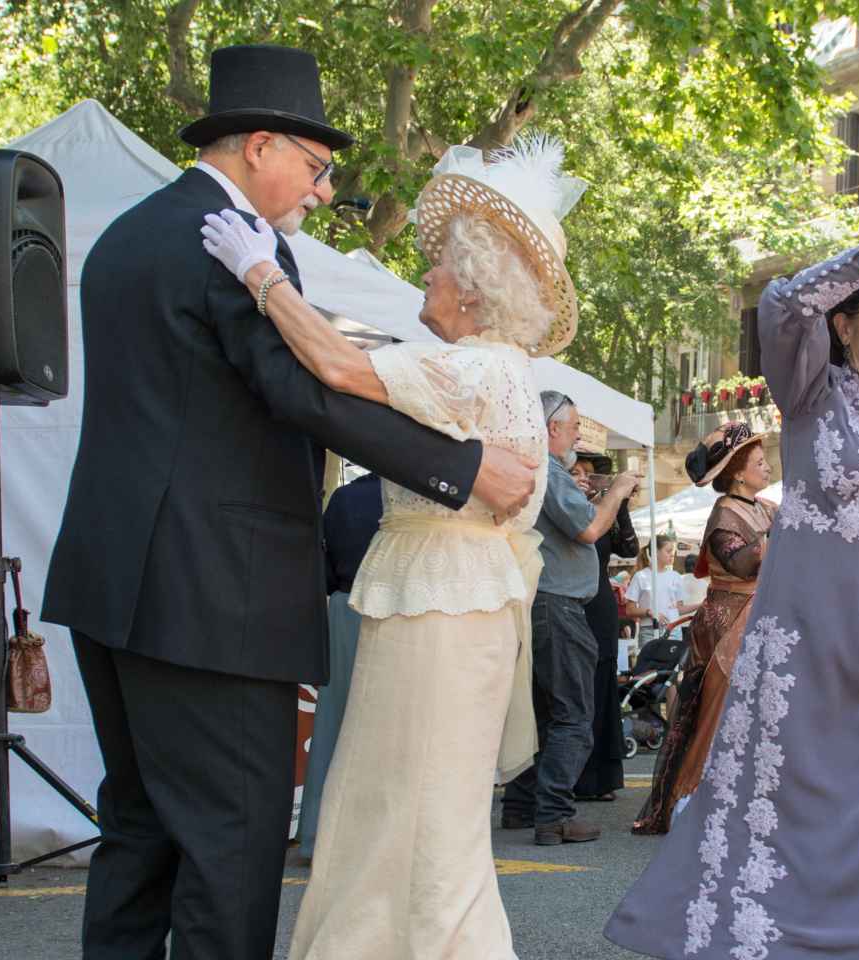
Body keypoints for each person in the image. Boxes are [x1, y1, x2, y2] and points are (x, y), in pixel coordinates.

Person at [41, 45, 536, 959]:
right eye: (313, 168)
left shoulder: (127, 234)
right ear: (259, 145)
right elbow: (306, 393)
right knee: (233, 842)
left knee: (141, 829)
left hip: (110, 582)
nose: (317, 193)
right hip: (209, 595)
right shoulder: (236, 247)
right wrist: (464, 469)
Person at [200, 133, 589, 956]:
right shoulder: (499, 368)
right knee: (414, 809)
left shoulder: (477, 367)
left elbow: (339, 369)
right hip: (454, 600)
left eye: (441, 264)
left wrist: (261, 274)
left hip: (440, 608)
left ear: (476, 291)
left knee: (409, 811)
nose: (426, 275)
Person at [606, 217, 859, 959]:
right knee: (790, 802)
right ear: (846, 327)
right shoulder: (810, 395)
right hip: (806, 648)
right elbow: (783, 305)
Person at [502, 391, 641, 844]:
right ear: (550, 429)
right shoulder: (547, 469)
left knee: (541, 713)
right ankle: (555, 815)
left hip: (541, 600)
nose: (580, 433)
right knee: (572, 714)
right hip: (558, 603)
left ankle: (524, 807)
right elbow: (589, 529)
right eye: (575, 425)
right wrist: (617, 491)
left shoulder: (538, 470)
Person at [634, 423, 778, 835]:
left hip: (760, 615)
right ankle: (692, 799)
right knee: (717, 710)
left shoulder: (765, 508)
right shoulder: (724, 515)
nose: (767, 466)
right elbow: (742, 563)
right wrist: (781, 535)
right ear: (737, 472)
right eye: (759, 462)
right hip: (725, 621)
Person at [296, 470, 382, 862]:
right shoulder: (417, 493)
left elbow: (324, 566)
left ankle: (317, 834)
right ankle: (374, 841)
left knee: (332, 726)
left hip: (345, 608)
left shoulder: (345, 497)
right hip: (398, 611)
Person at [571, 452, 639, 804]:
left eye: (589, 474)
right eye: (576, 472)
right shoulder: (564, 505)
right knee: (573, 689)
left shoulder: (604, 510)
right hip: (570, 600)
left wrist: (619, 502)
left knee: (602, 687)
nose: (584, 479)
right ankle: (572, 776)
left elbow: (630, 548)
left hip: (599, 605)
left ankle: (601, 777)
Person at [626, 535, 699, 639]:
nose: (672, 555)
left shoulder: (675, 576)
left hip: (673, 630)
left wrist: (700, 605)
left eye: (673, 551)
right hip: (649, 631)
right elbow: (630, 610)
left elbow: (679, 609)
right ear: (656, 552)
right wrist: (649, 612)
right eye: (668, 551)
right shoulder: (640, 576)